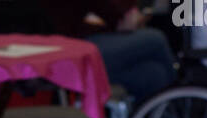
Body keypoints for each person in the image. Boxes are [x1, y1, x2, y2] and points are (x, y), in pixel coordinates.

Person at [40, 1, 175, 105]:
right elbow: (115, 13)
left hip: (93, 39)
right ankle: (183, 106)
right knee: (156, 39)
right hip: (70, 47)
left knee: (155, 73)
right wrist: (122, 17)